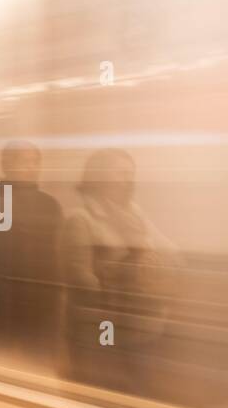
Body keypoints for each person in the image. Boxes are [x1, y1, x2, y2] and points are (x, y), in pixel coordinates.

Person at [60, 148, 177, 395]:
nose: (127, 179)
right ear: (99, 176)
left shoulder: (135, 214)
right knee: (102, 395)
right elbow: (81, 281)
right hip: (101, 332)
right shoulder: (80, 219)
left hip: (141, 327)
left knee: (137, 393)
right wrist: (121, 277)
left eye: (130, 173)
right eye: (120, 172)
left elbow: (170, 251)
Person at [0, 141, 63, 363]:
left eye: (36, 161)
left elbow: (54, 254)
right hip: (4, 295)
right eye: (25, 161)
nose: (32, 167)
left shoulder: (49, 204)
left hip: (40, 296)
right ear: (7, 165)